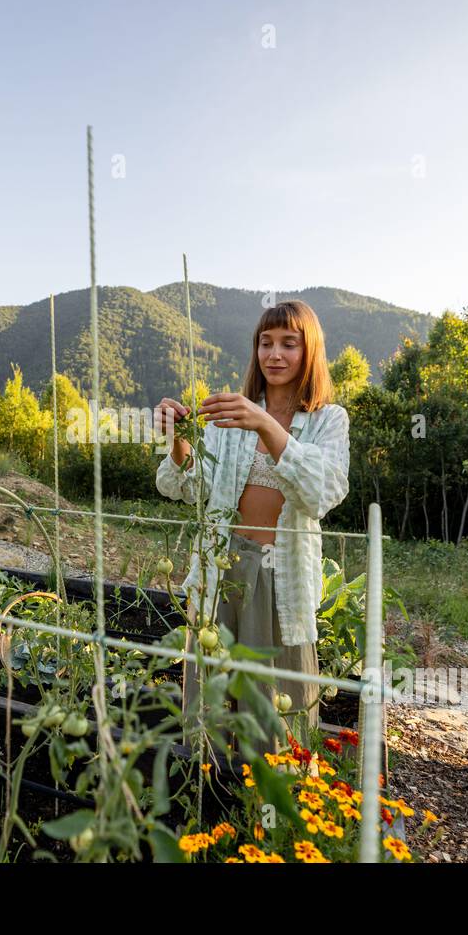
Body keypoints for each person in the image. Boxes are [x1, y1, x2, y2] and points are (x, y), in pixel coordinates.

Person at [154, 300, 350, 748]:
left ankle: (271, 798)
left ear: (310, 352)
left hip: (280, 573)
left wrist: (267, 425)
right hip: (220, 568)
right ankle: (210, 789)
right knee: (212, 691)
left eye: (288, 344)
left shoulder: (325, 421)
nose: (274, 354)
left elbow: (322, 494)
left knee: (275, 697)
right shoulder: (230, 420)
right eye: (265, 343)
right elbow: (187, 489)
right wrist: (180, 441)